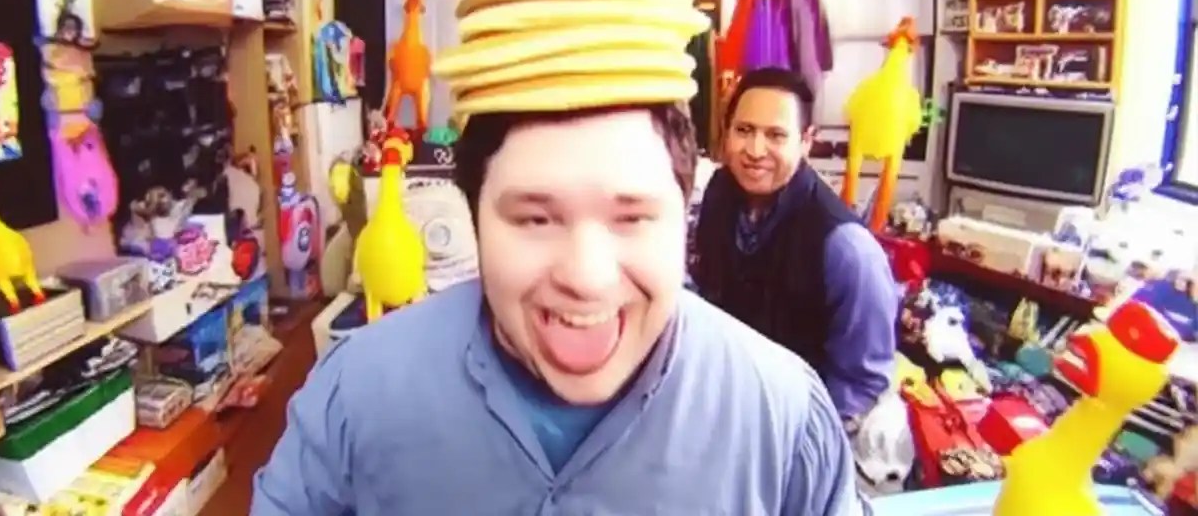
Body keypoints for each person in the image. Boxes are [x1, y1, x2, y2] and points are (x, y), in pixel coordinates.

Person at [251, 103, 867, 515]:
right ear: (476, 224)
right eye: (536, 219)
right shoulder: (359, 392)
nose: (587, 279)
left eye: (632, 218)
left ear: (684, 220)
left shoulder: (780, 418)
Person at [693, 67, 900, 428]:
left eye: (775, 135)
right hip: (728, 402)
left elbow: (861, 381)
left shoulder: (846, 249)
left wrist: (801, 441)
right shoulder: (719, 193)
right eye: (744, 131)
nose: (755, 151)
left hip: (798, 423)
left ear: (806, 141)